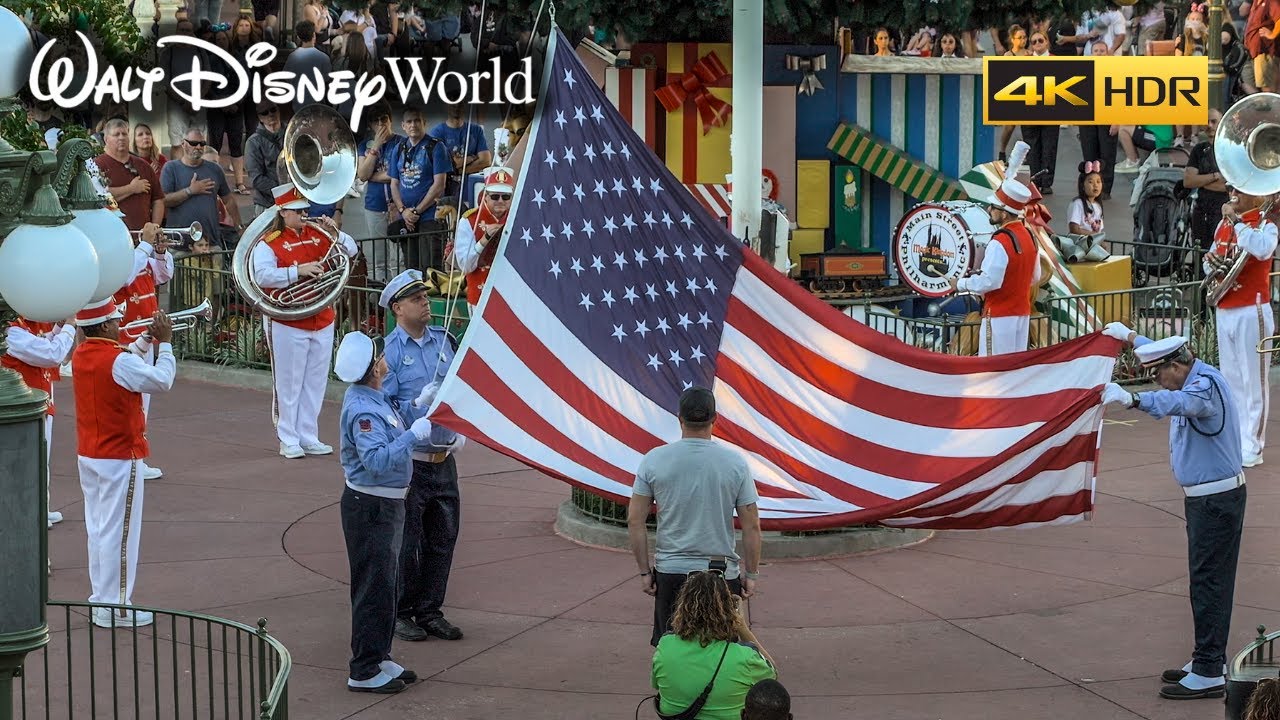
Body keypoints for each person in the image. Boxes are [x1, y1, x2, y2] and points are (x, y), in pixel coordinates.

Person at [1100, 328, 1246, 700]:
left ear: (1177, 367)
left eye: (1158, 375)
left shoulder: (1203, 388)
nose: (1157, 382)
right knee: (1206, 580)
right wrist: (1131, 336)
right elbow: (1159, 356)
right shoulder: (1192, 371)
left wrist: (1133, 400)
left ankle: (1210, 668)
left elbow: (1178, 403)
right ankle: (1207, 659)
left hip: (1215, 502)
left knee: (1209, 583)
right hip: (1208, 500)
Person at [334, 330, 434, 695]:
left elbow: (394, 418)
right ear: (376, 367)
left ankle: (379, 655)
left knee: (386, 585)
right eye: (381, 356)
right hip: (372, 506)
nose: (385, 359)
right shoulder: (362, 408)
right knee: (373, 587)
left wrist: (419, 405)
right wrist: (413, 437)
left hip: (384, 504)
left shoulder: (371, 396)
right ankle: (362, 669)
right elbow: (375, 460)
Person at [628, 386, 763, 647]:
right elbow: (752, 525)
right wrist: (752, 574)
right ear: (715, 419)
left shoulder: (653, 460)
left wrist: (645, 572)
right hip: (721, 573)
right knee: (723, 651)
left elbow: (635, 521)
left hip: (671, 571)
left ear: (680, 418)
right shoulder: (735, 463)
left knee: (670, 648)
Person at [73, 298, 176, 628]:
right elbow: (162, 381)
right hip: (118, 455)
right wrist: (167, 345)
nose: (120, 323)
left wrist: (146, 339)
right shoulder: (118, 360)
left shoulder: (82, 353)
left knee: (99, 530)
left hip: (90, 453)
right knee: (121, 534)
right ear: (104, 326)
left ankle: (101, 599)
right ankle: (116, 607)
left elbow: (124, 361)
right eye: (115, 321)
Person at [377, 270, 467, 643]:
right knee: (409, 542)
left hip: (444, 458)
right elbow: (386, 411)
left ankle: (430, 610)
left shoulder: (444, 341)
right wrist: (417, 406)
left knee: (443, 538)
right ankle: (401, 611)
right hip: (412, 460)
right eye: (416, 299)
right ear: (398, 308)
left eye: (425, 297)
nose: (425, 302)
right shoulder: (389, 353)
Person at [253, 182, 360, 459]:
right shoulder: (270, 241)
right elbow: (261, 275)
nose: (303, 215)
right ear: (283, 212)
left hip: (321, 315)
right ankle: (287, 437)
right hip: (288, 320)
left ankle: (308, 434)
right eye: (297, 211)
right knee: (288, 383)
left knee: (315, 381)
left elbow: (351, 251)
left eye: (304, 210)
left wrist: (336, 232)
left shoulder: (319, 232)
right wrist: (296, 271)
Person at [1205, 191, 1277, 468]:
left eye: (1240, 191)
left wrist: (1237, 222)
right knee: (1231, 378)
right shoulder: (1224, 224)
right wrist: (1209, 266)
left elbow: (1261, 249)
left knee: (1254, 382)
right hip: (1226, 307)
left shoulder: (1266, 224)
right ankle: (1236, 439)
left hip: (1252, 308)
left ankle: (1254, 445)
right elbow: (1212, 255)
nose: (1233, 195)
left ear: (1257, 196)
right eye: (1231, 190)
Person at [651, 572, 776, 720]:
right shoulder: (745, 657)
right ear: (729, 610)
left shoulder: (665, 646)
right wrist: (742, 626)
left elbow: (657, 685)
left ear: (682, 606)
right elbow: (773, 675)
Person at [947, 177, 1042, 355]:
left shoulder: (1000, 241)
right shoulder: (1030, 236)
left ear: (1004, 213)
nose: (989, 209)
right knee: (1014, 367)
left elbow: (989, 281)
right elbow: (1035, 277)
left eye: (993, 207)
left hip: (999, 317)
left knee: (993, 370)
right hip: (1022, 314)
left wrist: (960, 284)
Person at [112, 222, 175, 481]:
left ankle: (137, 456)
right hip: (126, 340)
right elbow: (124, 277)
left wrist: (159, 252)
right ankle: (125, 458)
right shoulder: (114, 262)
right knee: (126, 404)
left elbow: (163, 275)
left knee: (142, 405)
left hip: (147, 336)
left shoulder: (141, 257)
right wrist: (146, 245)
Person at [3, 315, 76, 527]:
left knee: (41, 459)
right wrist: (69, 327)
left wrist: (57, 328)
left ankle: (40, 507)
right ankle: (30, 513)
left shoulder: (24, 325)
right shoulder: (11, 331)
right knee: (29, 461)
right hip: (24, 406)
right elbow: (51, 354)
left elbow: (42, 343)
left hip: (39, 399)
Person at [452, 166, 515, 314]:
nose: (500, 201)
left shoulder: (516, 217)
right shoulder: (469, 221)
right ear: (485, 196)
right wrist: (484, 240)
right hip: (481, 295)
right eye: (495, 196)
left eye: (506, 197)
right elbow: (465, 266)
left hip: (511, 295)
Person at [355, 103, 404, 283]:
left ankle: (400, 297)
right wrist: (375, 147)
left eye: (384, 119)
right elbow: (362, 174)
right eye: (375, 121)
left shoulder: (401, 142)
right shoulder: (364, 146)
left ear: (390, 120)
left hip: (397, 205)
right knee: (379, 259)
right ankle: (379, 304)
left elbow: (397, 174)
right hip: (374, 206)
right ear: (370, 125)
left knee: (397, 258)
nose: (380, 124)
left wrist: (372, 176)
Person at [95, 118, 164, 231]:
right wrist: (131, 188)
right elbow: (99, 198)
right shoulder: (96, 165)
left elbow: (158, 199)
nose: (121, 138)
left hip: (144, 238)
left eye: (124, 134)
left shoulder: (143, 165)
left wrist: (155, 227)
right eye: (116, 134)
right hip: (112, 235)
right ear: (106, 139)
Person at [1184, 109, 1230, 253]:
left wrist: (1202, 180)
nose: (1209, 125)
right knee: (1200, 252)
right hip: (1202, 209)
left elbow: (1227, 186)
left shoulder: (1230, 148)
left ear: (1221, 122)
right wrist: (1215, 176)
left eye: (1214, 121)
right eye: (1206, 122)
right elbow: (1188, 181)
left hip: (1224, 209)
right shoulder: (1198, 150)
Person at [244, 102, 284, 217]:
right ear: (260, 118)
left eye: (273, 110)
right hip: (267, 204)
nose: (270, 114)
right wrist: (284, 191)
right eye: (265, 113)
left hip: (294, 202)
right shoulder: (253, 142)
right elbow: (256, 179)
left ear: (278, 110)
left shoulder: (291, 133)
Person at [1067, 161, 1105, 236]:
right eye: (1091, 182)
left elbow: (1099, 231)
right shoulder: (1077, 203)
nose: (1095, 185)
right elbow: (1074, 229)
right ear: (1082, 186)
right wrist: (1094, 236)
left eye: (1098, 181)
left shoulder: (1098, 206)